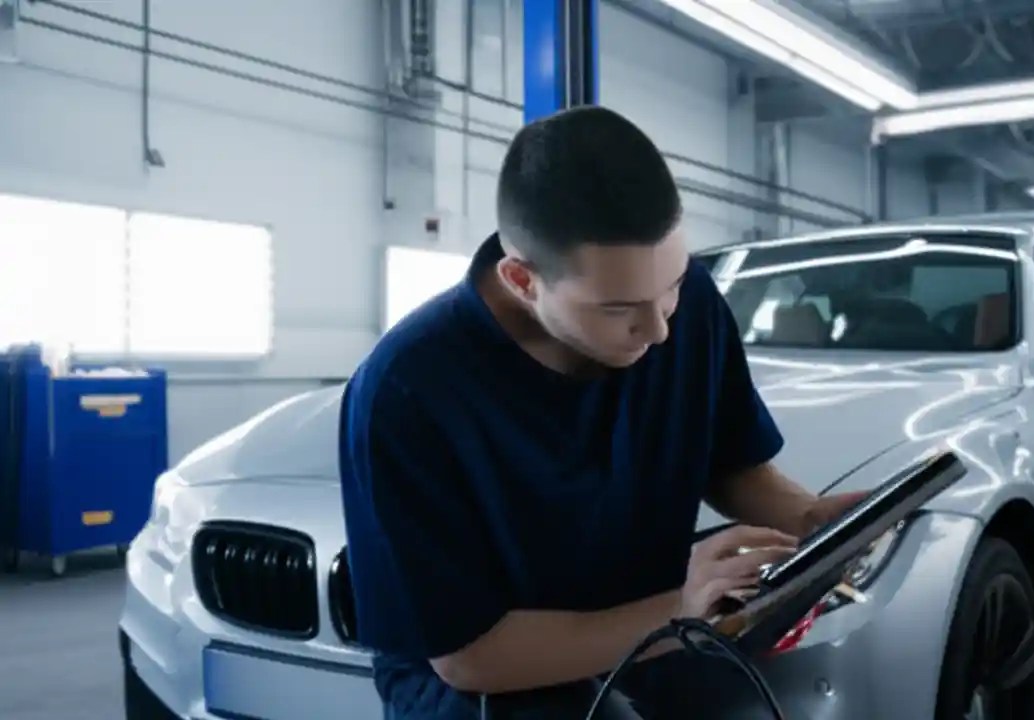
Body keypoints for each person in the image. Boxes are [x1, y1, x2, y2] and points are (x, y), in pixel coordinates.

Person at [338, 105, 865, 719]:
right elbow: (469, 657)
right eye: (619, 309)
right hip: (491, 680)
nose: (661, 328)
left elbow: (729, 463)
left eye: (671, 284)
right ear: (522, 280)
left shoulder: (686, 303)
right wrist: (677, 609)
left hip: (652, 621)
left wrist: (809, 518)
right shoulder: (407, 391)